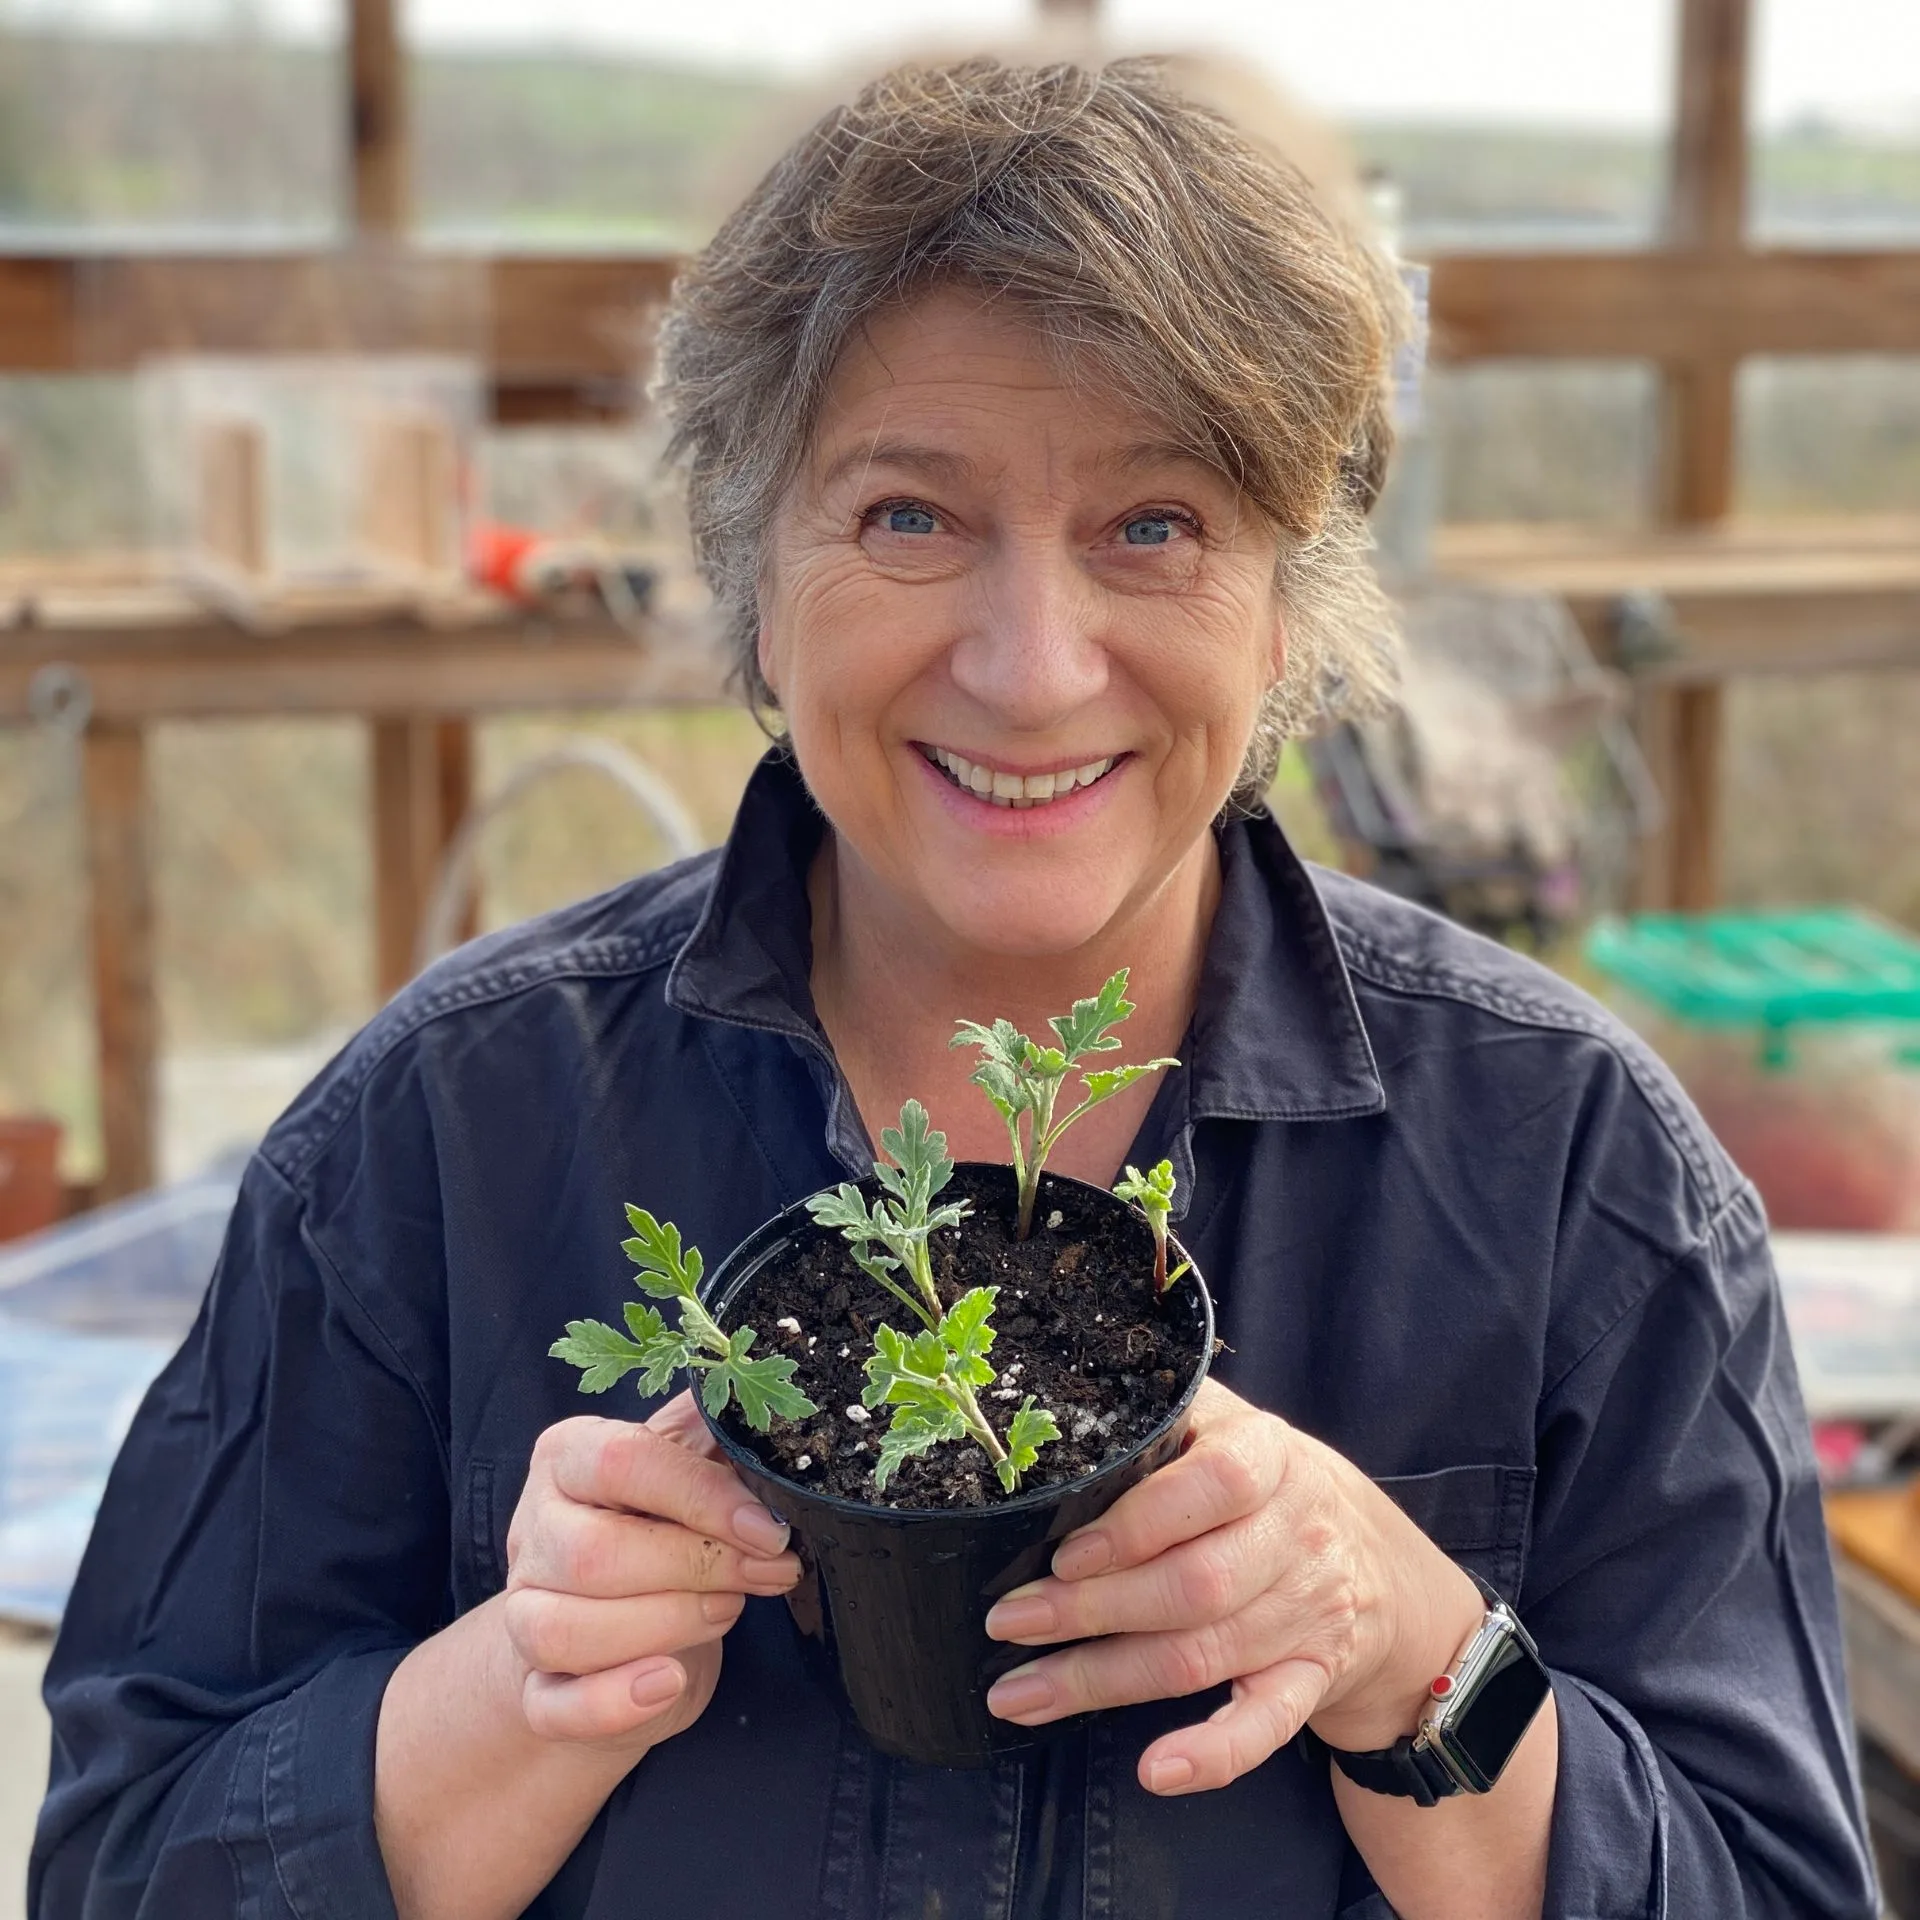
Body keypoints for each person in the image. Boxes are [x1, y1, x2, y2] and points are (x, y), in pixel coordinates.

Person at [33, 57, 1876, 1920]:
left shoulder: (1572, 1170)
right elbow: (125, 1860)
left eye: (1157, 525)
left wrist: (1418, 1654)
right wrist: (518, 1691)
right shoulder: (441, 1136)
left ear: (1291, 608)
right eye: (910, 516)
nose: (1031, 667)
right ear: (753, 564)